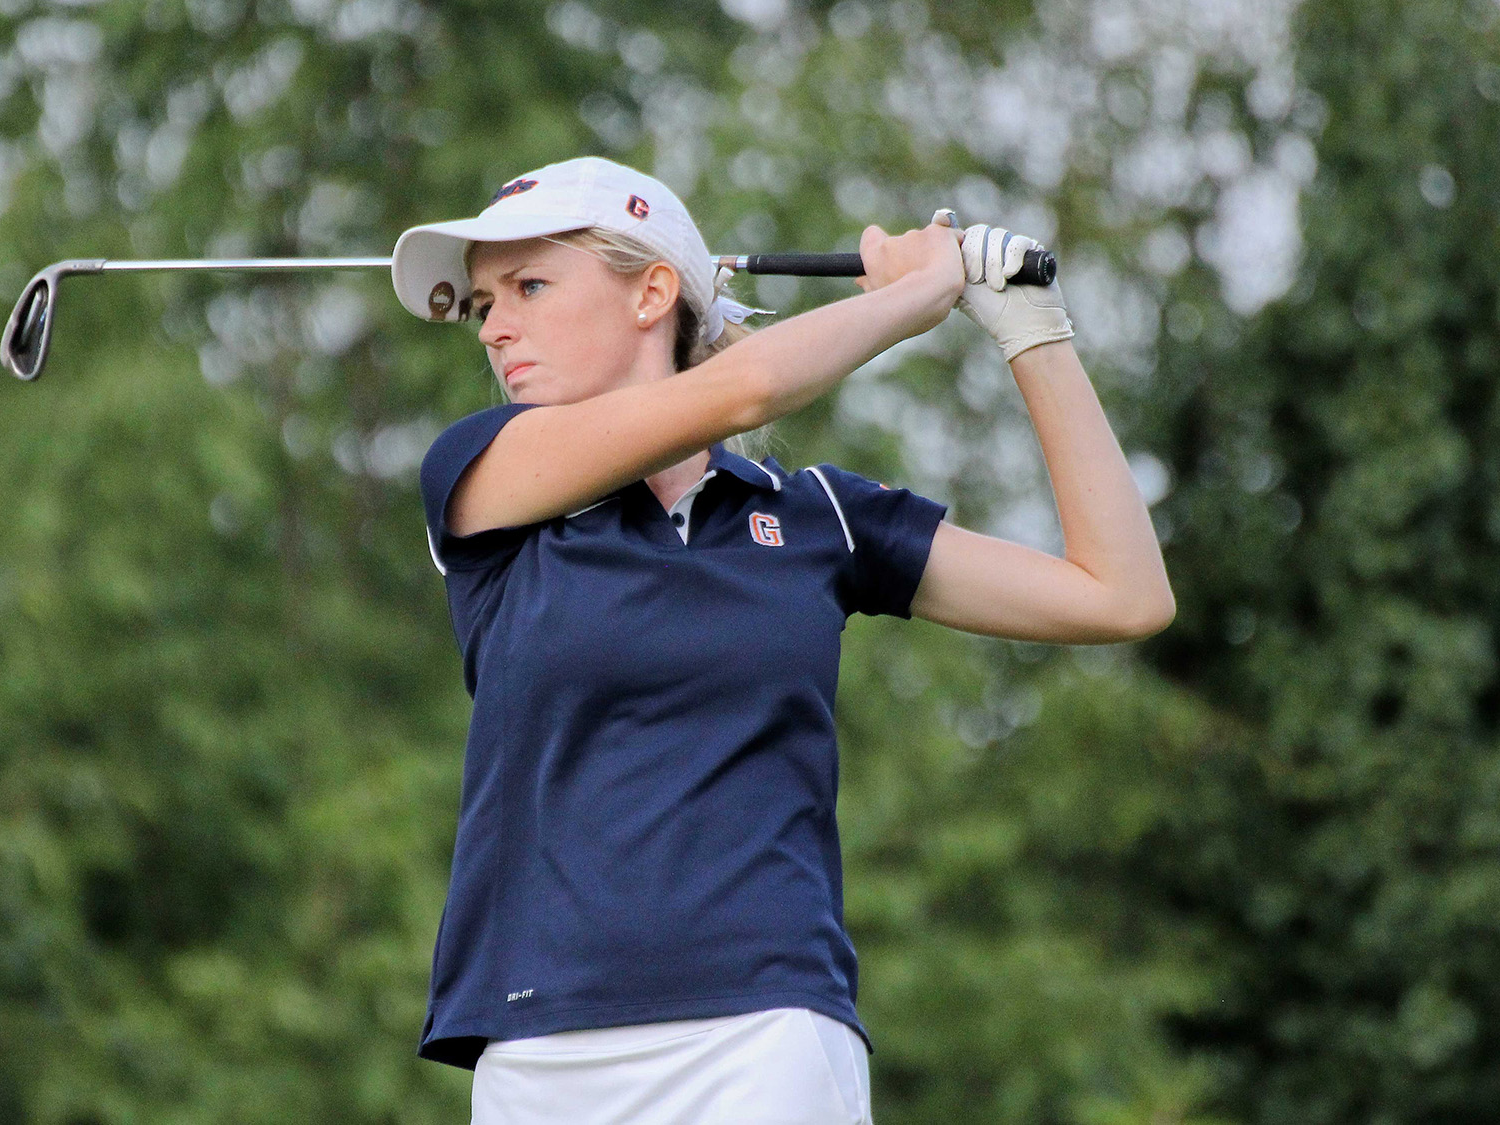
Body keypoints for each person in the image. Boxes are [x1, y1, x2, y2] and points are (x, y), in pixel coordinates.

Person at [387, 156, 1174, 1125]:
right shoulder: (484, 485)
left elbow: (1120, 595)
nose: (496, 326)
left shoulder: (818, 521)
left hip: (761, 1037)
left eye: (529, 286)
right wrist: (923, 289)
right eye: (479, 306)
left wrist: (1026, 326)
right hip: (538, 1050)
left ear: (652, 293)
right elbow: (744, 392)